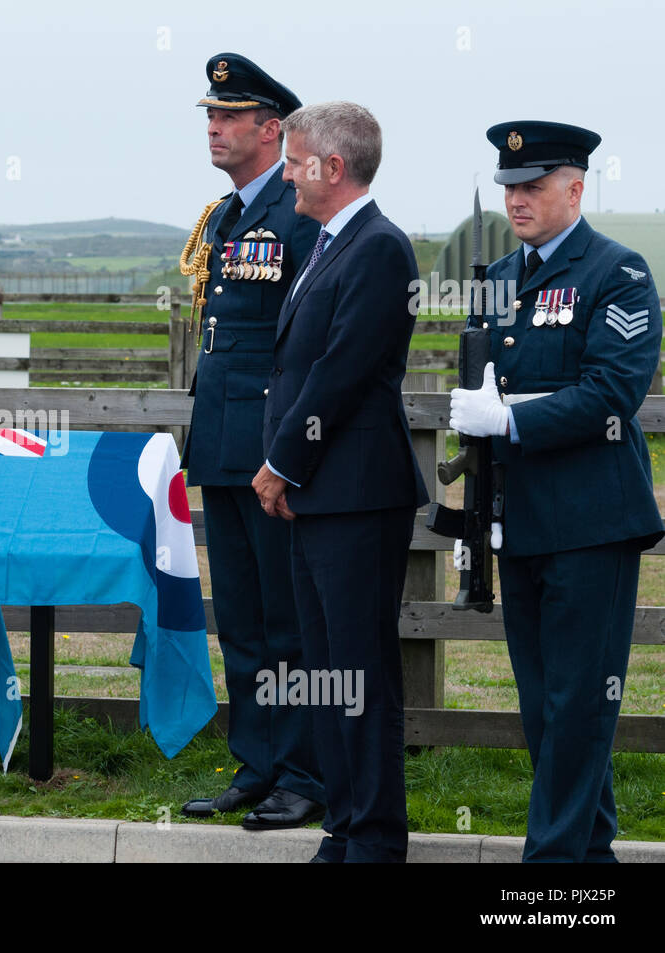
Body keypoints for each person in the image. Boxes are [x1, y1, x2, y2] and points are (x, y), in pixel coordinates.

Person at [449, 122, 662, 862]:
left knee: (579, 702)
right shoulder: (500, 276)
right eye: (510, 186)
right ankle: (589, 853)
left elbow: (610, 391)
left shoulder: (618, 272)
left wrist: (508, 417)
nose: (517, 198)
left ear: (576, 187)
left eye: (534, 184)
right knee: (545, 704)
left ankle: (553, 869)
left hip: (591, 517)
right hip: (521, 520)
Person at [252, 102, 428, 863]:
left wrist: (283, 461)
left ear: (332, 167)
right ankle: (344, 825)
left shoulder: (380, 248)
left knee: (360, 673)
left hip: (355, 493)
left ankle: (377, 838)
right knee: (327, 676)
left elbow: (341, 373)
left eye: (293, 161)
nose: (285, 173)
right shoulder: (328, 243)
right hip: (319, 495)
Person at [177, 53, 324, 828]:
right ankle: (258, 763)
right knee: (239, 616)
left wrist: (290, 453)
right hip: (224, 446)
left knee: (287, 622)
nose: (214, 126)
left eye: (230, 116)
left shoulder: (298, 213)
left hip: (273, 450)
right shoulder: (227, 216)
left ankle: (305, 771)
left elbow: (306, 343)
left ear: (273, 130)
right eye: (211, 114)